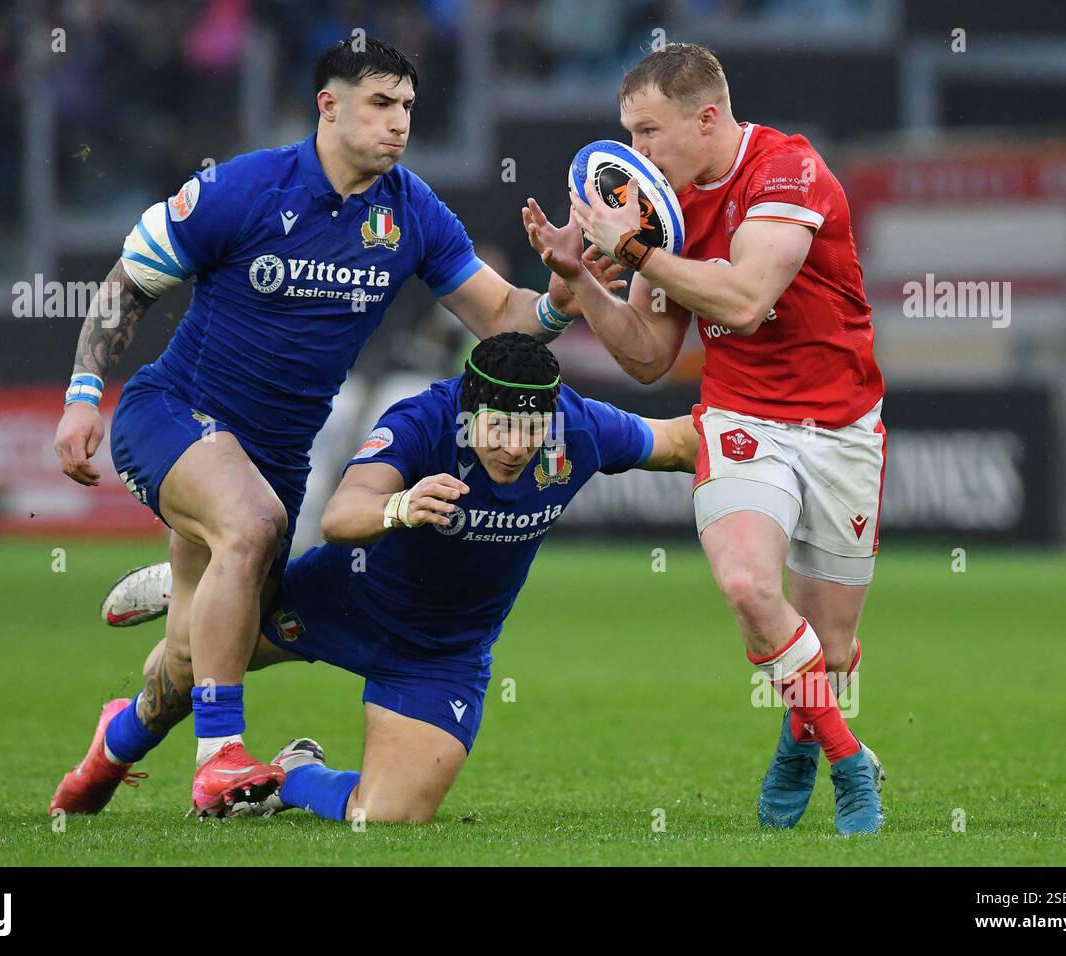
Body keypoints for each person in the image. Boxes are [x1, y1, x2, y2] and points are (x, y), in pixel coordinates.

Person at [50, 36, 623, 817]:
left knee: (194, 657)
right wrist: (85, 392)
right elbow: (129, 284)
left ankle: (112, 748)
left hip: (277, 459)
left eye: (409, 109)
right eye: (382, 104)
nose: (399, 124)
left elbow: (499, 318)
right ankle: (219, 759)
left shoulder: (412, 211)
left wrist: (564, 294)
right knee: (250, 527)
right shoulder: (242, 188)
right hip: (173, 413)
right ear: (329, 106)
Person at [64, 333, 697, 822]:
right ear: (467, 411)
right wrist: (402, 506)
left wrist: (771, 440)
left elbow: (676, 442)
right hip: (340, 602)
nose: (512, 446)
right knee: (186, 665)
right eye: (498, 427)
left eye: (529, 430)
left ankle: (290, 774)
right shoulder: (422, 419)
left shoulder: (580, 430)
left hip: (440, 654)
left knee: (389, 816)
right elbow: (341, 515)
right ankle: (119, 739)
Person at [523, 43, 887, 834]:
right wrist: (583, 284)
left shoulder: (788, 171)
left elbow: (749, 298)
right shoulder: (663, 212)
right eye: (626, 131)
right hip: (741, 417)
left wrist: (633, 250)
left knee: (829, 653)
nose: (634, 152)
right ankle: (850, 760)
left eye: (648, 131)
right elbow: (652, 355)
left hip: (842, 425)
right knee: (750, 588)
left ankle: (801, 740)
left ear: (708, 118)